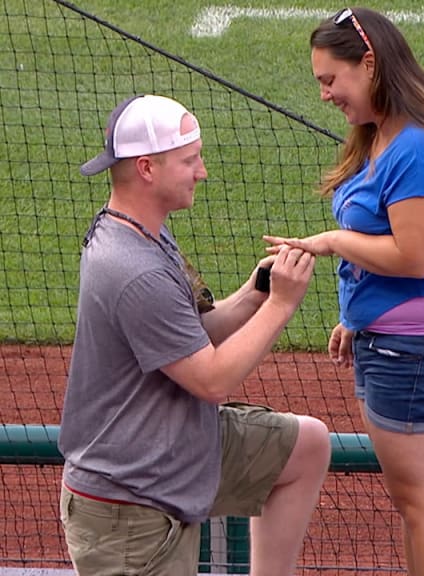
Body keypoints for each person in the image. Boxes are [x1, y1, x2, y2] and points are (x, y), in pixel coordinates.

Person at [59, 94, 332, 575]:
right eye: (190, 160)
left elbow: (188, 336)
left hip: (172, 449)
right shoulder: (133, 268)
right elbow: (211, 379)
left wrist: (255, 295)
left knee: (305, 447)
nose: (202, 171)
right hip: (130, 505)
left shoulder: (144, 231)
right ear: (146, 168)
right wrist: (284, 305)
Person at [262, 8, 424, 576]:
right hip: (401, 340)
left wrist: (333, 241)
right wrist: (360, 317)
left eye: (329, 79)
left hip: (422, 350)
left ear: (369, 64)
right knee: (416, 505)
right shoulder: (383, 135)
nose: (324, 94)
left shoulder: (418, 147)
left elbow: (417, 257)